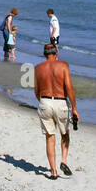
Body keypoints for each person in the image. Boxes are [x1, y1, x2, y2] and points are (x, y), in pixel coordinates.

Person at [34, 42, 77, 179]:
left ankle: (53, 172)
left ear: (44, 54)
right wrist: (74, 108)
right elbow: (69, 87)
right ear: (56, 53)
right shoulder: (63, 66)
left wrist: (43, 102)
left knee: (49, 137)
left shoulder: (38, 68)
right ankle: (63, 161)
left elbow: (36, 91)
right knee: (65, 133)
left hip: (45, 101)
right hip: (60, 102)